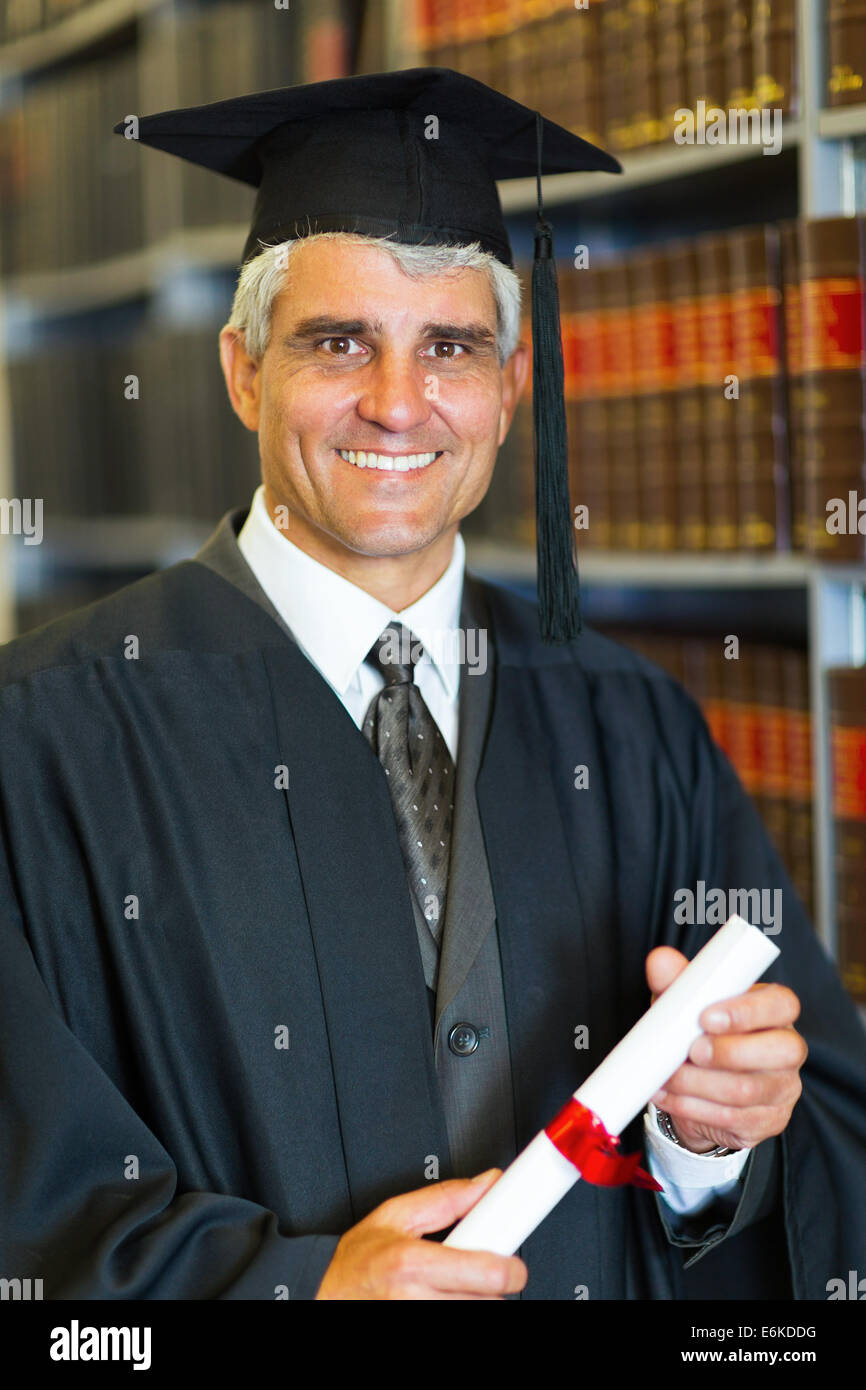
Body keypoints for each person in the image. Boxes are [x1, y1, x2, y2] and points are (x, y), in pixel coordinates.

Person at [0, 69, 863, 1301]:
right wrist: (296, 1293)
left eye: (449, 347)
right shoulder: (41, 742)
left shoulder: (632, 724)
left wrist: (707, 1146)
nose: (397, 404)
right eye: (337, 341)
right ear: (243, 371)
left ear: (511, 390)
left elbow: (827, 1140)